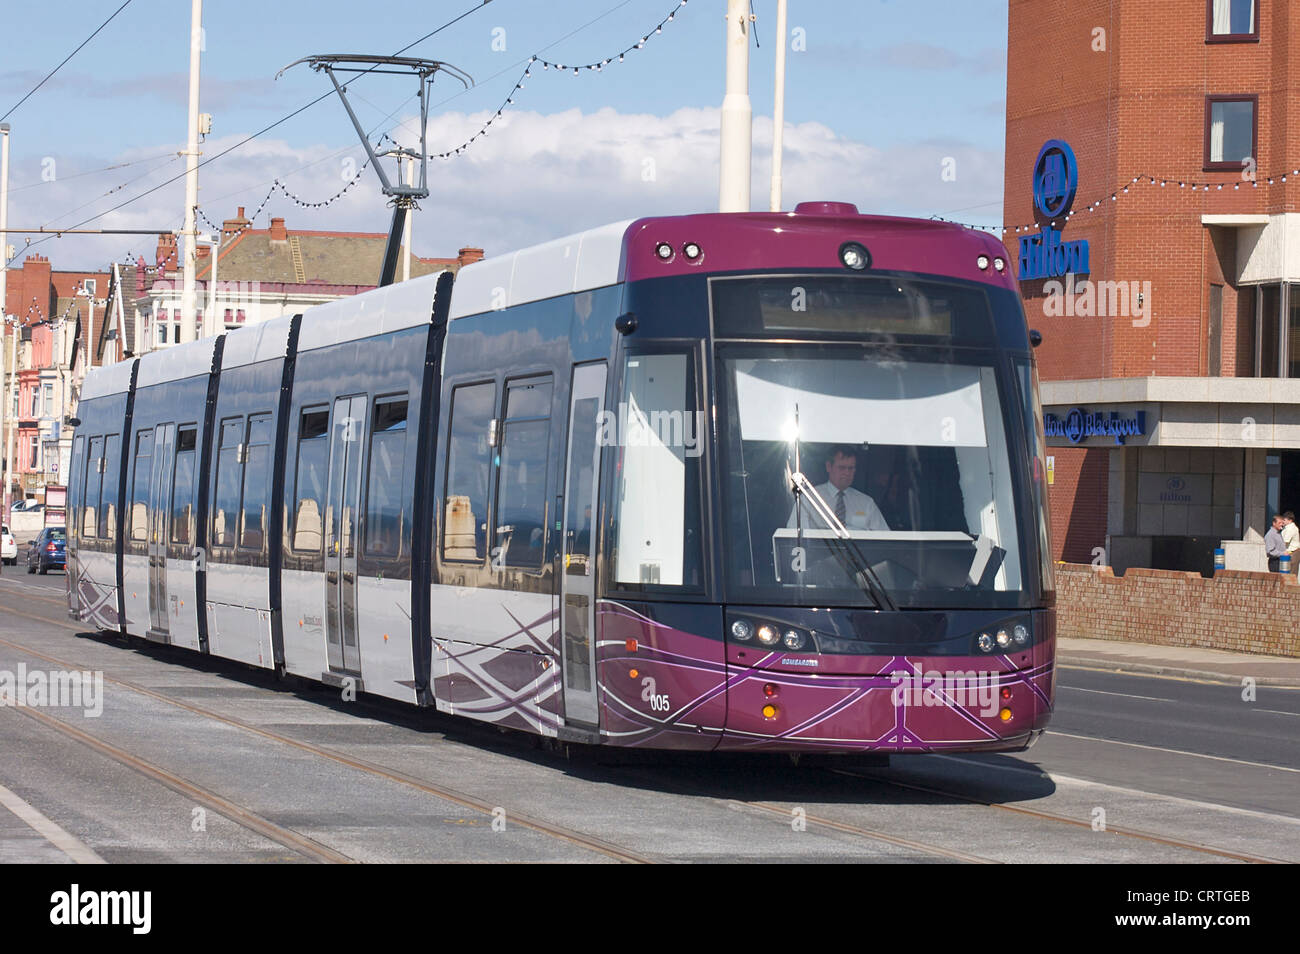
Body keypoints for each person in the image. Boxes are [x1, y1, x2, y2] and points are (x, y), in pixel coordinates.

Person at [787, 444, 890, 531]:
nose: (847, 473)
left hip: (858, 555)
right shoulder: (808, 499)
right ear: (829, 467)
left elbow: (885, 540)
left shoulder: (866, 503)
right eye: (842, 468)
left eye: (851, 468)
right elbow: (793, 535)